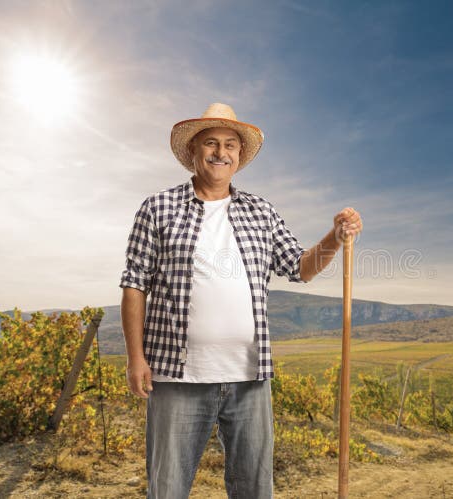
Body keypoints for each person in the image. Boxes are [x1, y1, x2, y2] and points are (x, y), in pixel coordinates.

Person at [119, 103, 362, 498]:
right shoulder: (157, 208)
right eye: (211, 143)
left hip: (249, 378)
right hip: (176, 377)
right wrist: (135, 357)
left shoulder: (260, 211)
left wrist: (335, 237)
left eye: (230, 144)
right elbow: (134, 284)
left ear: (239, 156)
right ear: (194, 152)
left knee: (253, 489)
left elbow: (299, 267)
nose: (221, 152)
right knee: (167, 489)